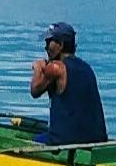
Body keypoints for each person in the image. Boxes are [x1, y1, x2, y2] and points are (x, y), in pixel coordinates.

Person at [30, 19, 108, 147]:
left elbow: (35, 91)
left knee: (33, 141)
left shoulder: (55, 68)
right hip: (96, 140)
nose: (46, 47)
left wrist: (38, 69)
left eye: (49, 42)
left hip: (66, 141)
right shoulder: (86, 68)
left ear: (60, 45)